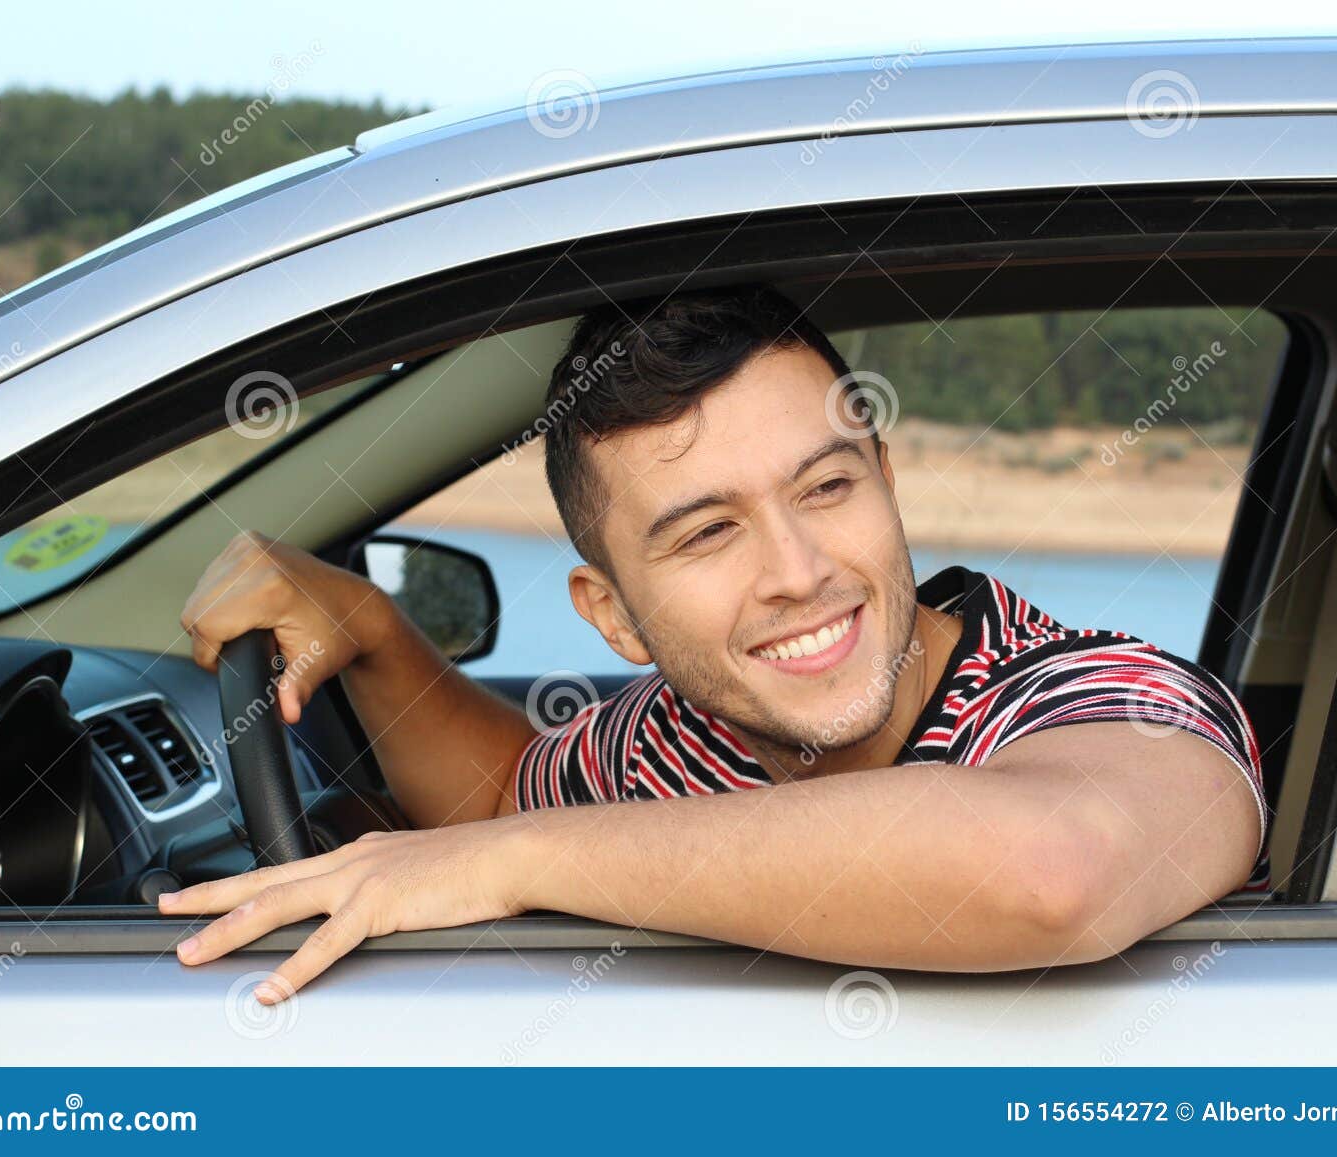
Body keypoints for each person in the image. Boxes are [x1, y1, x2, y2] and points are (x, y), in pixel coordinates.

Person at [160, 284, 1266, 1005]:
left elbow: (1052, 867)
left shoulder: (1101, 690)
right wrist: (374, 626)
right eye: (708, 533)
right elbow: (503, 792)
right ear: (613, 616)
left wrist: (517, 862)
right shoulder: (672, 738)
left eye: (827, 486)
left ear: (886, 478)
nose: (797, 570)